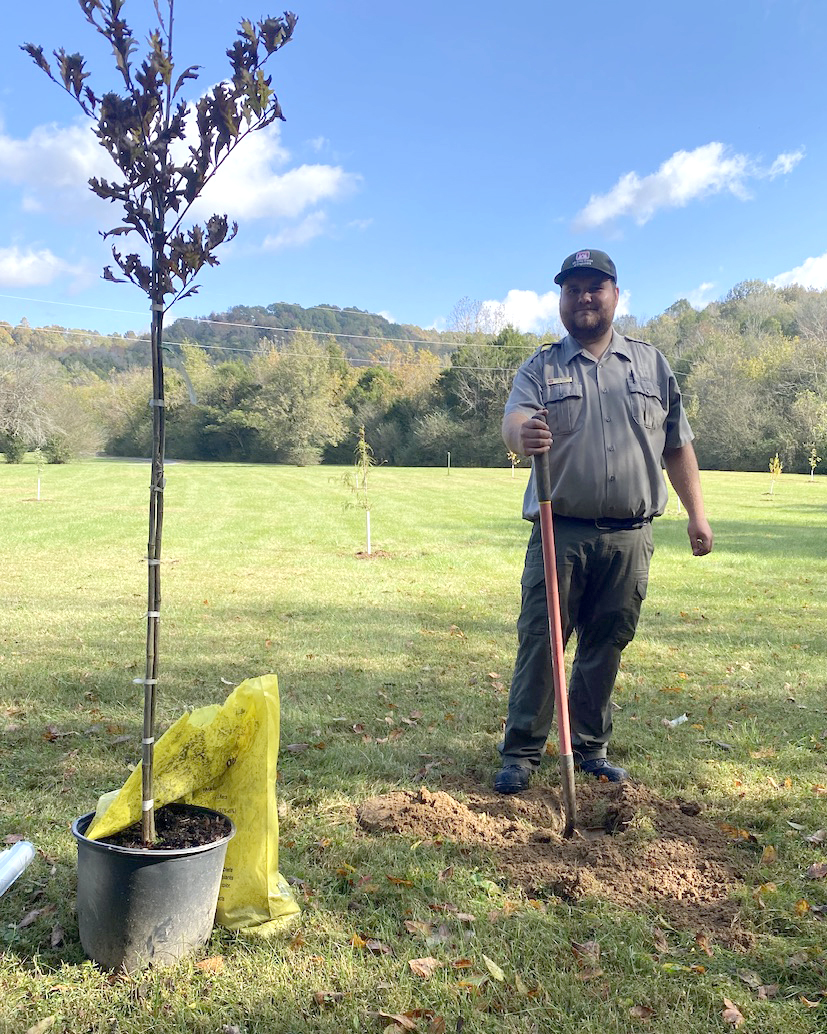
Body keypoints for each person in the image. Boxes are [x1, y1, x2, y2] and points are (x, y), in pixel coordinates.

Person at [494, 249, 713, 794]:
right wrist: (522, 436)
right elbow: (513, 419)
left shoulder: (651, 365)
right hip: (559, 531)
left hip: (631, 536)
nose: (584, 297)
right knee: (543, 640)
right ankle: (522, 752)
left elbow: (677, 445)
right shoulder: (540, 368)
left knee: (606, 643)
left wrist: (697, 516)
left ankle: (591, 747)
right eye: (573, 289)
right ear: (562, 300)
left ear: (616, 294)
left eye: (595, 287)